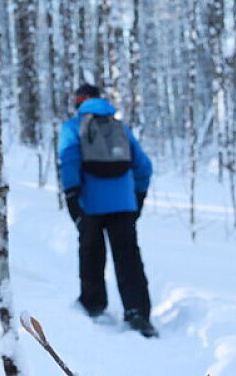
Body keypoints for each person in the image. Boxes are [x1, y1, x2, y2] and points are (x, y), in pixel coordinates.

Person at [58, 83, 157, 337]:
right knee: (128, 258)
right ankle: (138, 314)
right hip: (124, 204)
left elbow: (68, 163)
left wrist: (72, 198)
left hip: (90, 204)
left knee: (91, 254)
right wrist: (137, 199)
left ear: (78, 103)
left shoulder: (71, 127)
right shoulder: (120, 127)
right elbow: (144, 166)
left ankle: (93, 306)